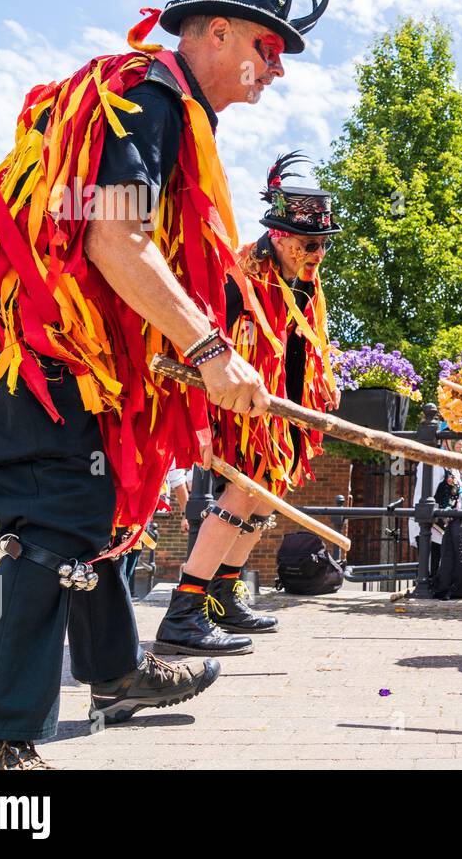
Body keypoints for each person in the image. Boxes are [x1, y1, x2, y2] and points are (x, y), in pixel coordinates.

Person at [0, 0, 330, 769]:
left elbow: (98, 240)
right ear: (212, 31)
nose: (274, 71)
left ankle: (115, 673)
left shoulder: (150, 105)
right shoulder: (144, 100)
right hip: (29, 360)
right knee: (51, 531)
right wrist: (207, 350)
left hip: (56, 356)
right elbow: (113, 236)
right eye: (265, 48)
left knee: (92, 520)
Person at [155, 152, 340, 654]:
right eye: (310, 243)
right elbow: (201, 339)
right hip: (236, 408)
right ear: (279, 236)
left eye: (323, 243)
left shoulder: (303, 277)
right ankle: (184, 611)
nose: (318, 252)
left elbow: (303, 341)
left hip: (280, 409)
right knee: (240, 495)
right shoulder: (239, 276)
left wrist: (323, 381)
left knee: (260, 500)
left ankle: (222, 596)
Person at [409, 421, 462, 590]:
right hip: (434, 530)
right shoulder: (435, 463)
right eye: (457, 437)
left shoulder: (459, 466)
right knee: (434, 575)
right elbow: (421, 499)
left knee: (450, 576)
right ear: (445, 439)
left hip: (454, 531)